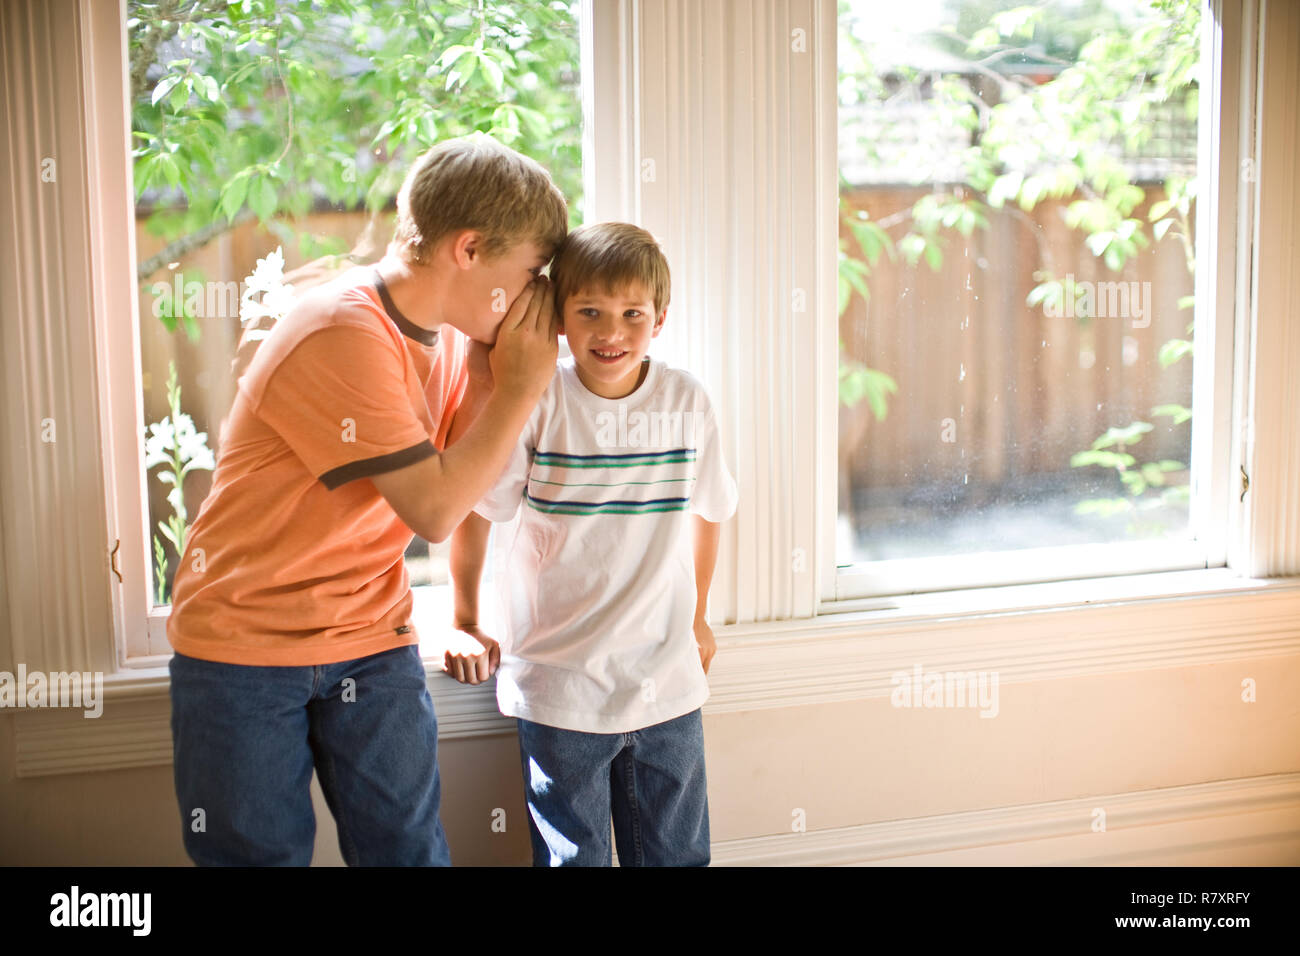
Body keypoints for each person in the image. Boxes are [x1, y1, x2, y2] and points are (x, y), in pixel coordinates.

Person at [166, 134, 567, 866]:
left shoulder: (447, 337)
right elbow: (435, 510)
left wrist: (486, 372)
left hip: (369, 638)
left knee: (407, 852)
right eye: (533, 271)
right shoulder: (345, 329)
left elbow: (469, 478)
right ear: (469, 250)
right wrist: (519, 384)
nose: (540, 295)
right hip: (244, 644)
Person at [446, 222, 739, 866]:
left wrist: (696, 616)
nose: (611, 332)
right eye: (590, 312)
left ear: (660, 318)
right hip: (561, 688)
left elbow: (709, 511)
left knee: (677, 857)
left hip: (666, 684)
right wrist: (465, 618)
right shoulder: (538, 399)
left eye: (632, 313)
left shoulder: (686, 401)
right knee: (572, 859)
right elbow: (475, 504)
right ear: (559, 319)